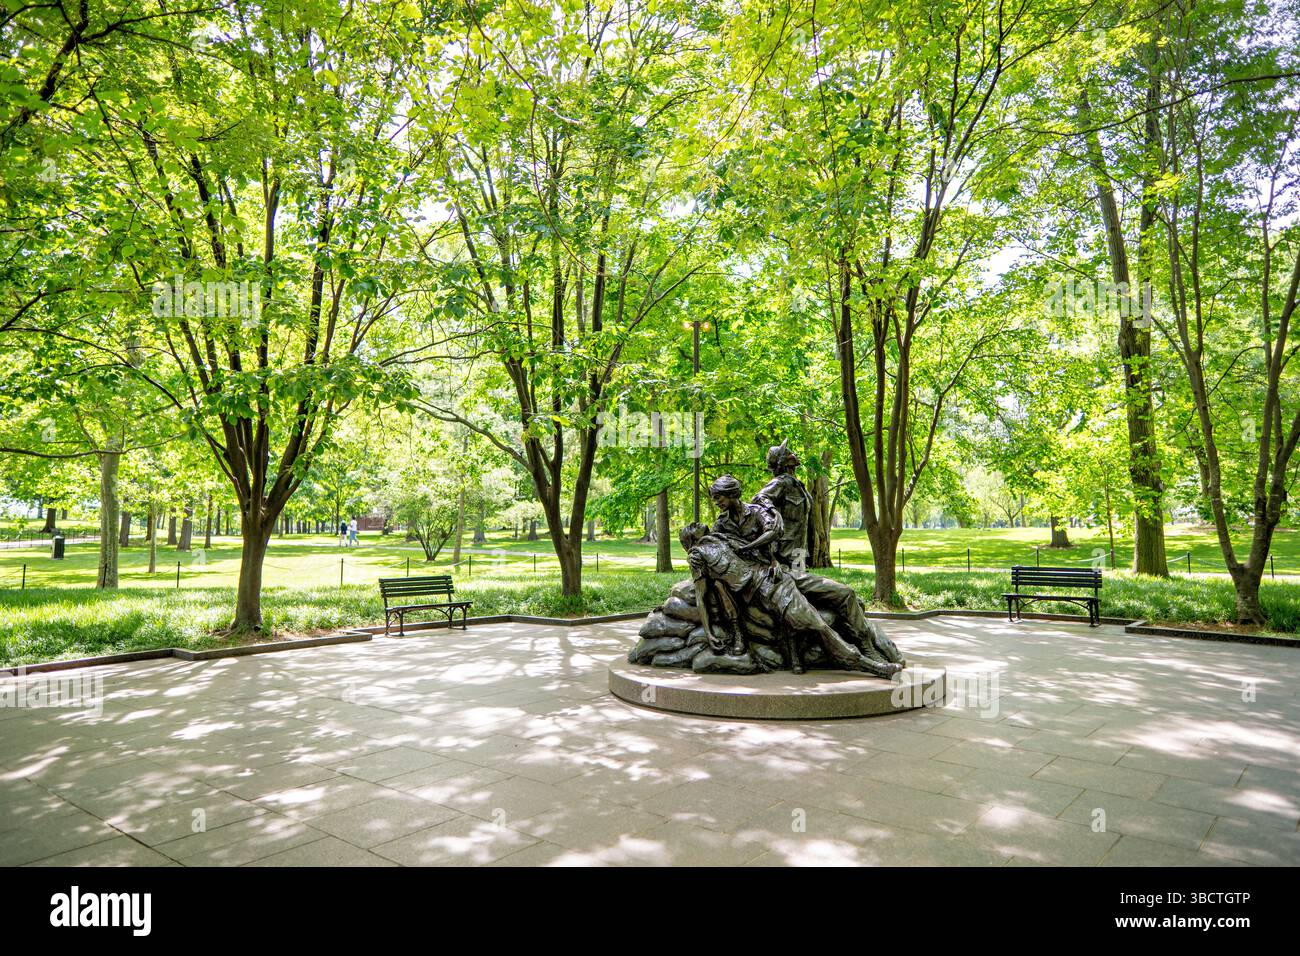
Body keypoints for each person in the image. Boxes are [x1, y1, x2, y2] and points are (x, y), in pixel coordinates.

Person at [680, 520, 901, 678]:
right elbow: (702, 596)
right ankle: (871, 667)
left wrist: (774, 562)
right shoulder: (697, 555)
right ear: (690, 541)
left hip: (783, 573)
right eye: (690, 527)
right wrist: (709, 633)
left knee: (844, 593)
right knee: (818, 624)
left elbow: (763, 550)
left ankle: (868, 644)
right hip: (766, 588)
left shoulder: (722, 536)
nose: (696, 523)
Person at [752, 445, 906, 666]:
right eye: (788, 452)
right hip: (784, 562)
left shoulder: (797, 484)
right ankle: (867, 648)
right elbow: (758, 500)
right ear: (783, 462)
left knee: (840, 602)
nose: (793, 453)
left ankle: (876, 646)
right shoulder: (781, 483)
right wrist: (772, 515)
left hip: (797, 557)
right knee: (846, 595)